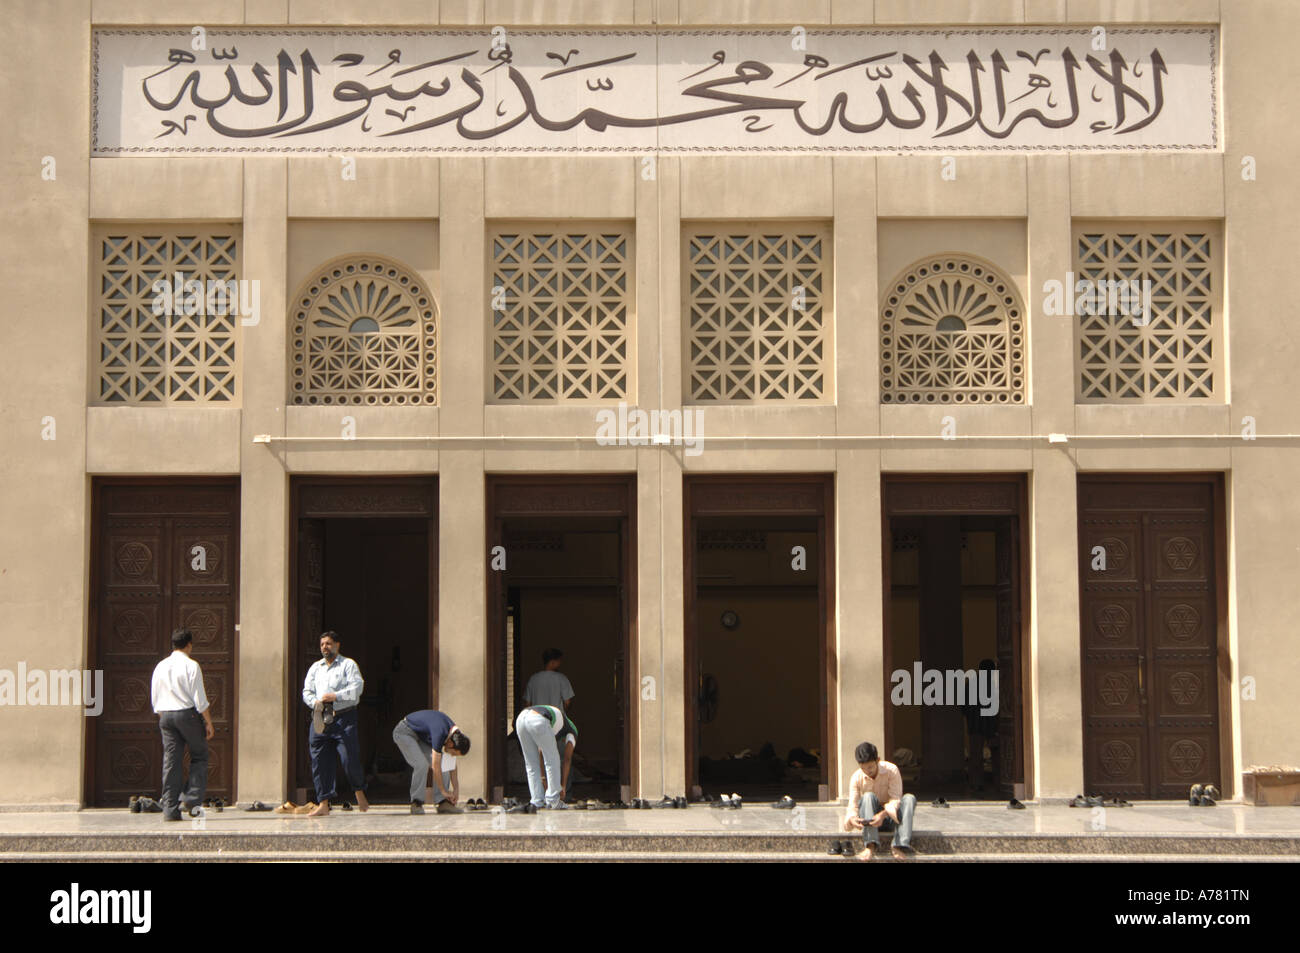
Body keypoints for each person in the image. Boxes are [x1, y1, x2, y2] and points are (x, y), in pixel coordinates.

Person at [150, 627, 214, 822]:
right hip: (186, 714)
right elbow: (199, 699)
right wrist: (208, 722)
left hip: (165, 715)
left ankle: (170, 809)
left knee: (171, 762)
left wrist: (163, 715)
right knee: (200, 755)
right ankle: (191, 799)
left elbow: (155, 696)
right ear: (189, 645)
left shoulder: (160, 666)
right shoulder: (191, 665)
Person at [301, 631, 369, 817]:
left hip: (344, 718)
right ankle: (323, 803)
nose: (325, 647)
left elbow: (357, 690)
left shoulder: (348, 665)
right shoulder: (315, 668)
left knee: (348, 758)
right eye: (322, 644)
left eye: (329, 643)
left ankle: (359, 794)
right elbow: (307, 691)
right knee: (319, 761)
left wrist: (336, 696)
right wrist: (315, 702)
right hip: (321, 717)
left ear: (337, 645)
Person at [843, 740, 918, 861]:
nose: (867, 771)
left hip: (892, 818)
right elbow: (853, 805)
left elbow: (895, 799)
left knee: (909, 798)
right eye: (863, 768)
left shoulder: (892, 770)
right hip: (870, 820)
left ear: (878, 760)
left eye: (870, 767)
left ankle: (898, 845)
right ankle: (870, 845)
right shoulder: (856, 777)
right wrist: (852, 819)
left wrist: (882, 815)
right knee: (868, 796)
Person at [391, 709, 471, 814]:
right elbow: (435, 765)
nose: (452, 755)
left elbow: (451, 764)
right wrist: (443, 790)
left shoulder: (455, 735)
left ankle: (443, 803)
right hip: (404, 732)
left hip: (419, 736)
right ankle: (416, 803)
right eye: (453, 753)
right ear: (451, 744)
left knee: (444, 763)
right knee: (421, 765)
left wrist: (456, 789)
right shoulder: (440, 732)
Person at [513, 704, 577, 811]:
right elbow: (567, 759)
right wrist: (563, 786)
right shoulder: (572, 730)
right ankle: (553, 801)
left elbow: (541, 751)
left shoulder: (556, 726)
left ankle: (536, 801)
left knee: (531, 763)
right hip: (538, 719)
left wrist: (544, 779)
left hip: (521, 718)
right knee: (553, 759)